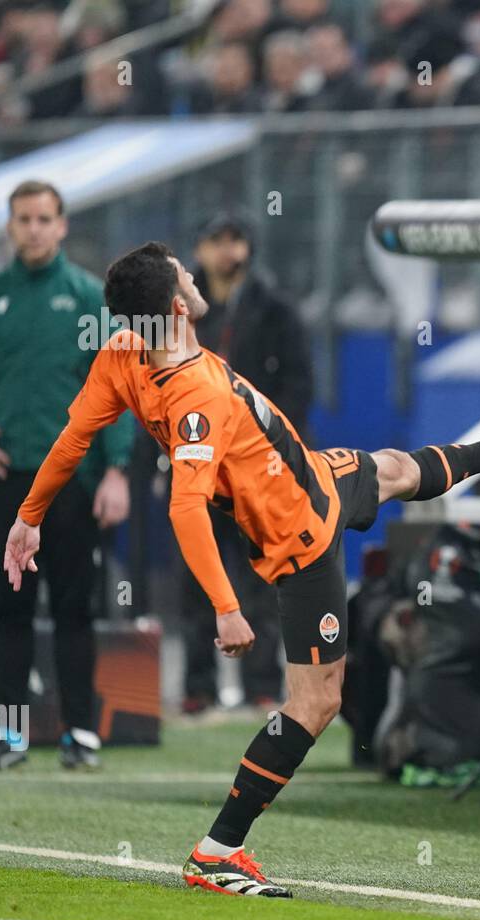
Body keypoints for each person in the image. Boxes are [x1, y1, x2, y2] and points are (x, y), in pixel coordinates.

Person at [2, 242, 480, 897]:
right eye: (186, 272)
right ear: (180, 304)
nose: (195, 272)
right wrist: (225, 604)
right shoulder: (195, 396)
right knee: (316, 702)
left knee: (395, 467)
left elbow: (72, 440)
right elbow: (185, 506)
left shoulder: (123, 353)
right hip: (302, 539)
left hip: (317, 473)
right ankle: (218, 850)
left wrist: (28, 516)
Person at [0, 179, 134, 771]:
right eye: (23, 219)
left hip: (74, 479)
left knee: (75, 607)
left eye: (44, 218)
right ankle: (9, 736)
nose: (33, 229)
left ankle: (80, 734)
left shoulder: (87, 298)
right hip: (4, 478)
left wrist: (117, 471)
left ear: (62, 224)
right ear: (10, 226)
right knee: (9, 609)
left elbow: (122, 386)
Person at [178, 211, 313, 713]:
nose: (228, 250)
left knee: (263, 574)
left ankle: (261, 684)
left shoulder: (274, 308)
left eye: (236, 240)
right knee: (198, 574)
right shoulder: (182, 312)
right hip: (197, 460)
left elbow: (298, 383)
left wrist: (275, 445)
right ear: (200, 249)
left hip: (257, 464)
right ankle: (198, 687)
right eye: (218, 241)